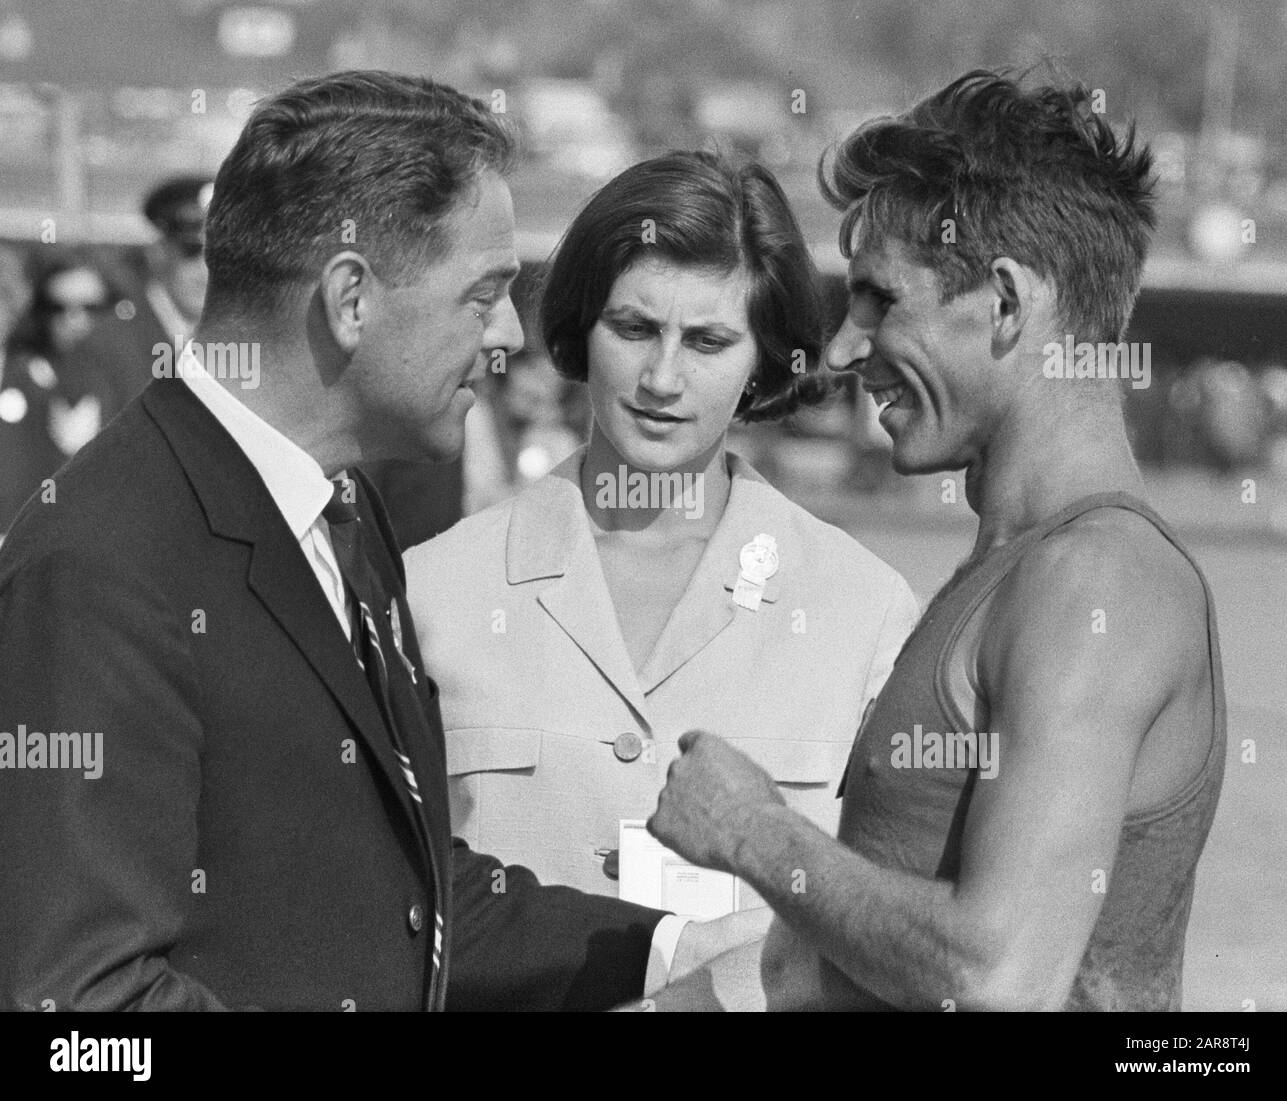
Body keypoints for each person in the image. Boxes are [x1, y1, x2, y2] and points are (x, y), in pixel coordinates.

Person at [0, 71, 750, 1013]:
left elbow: (399, 898)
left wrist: (682, 946)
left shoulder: (338, 513)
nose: (510, 333)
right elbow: (76, 1005)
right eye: (483, 294)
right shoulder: (106, 561)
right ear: (351, 298)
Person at [641, 68, 1227, 1011]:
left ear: (1002, 303)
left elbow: (997, 979)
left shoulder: (1092, 579)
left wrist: (757, 834)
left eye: (878, 300)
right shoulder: (1015, 570)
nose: (841, 347)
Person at [403, 151, 918, 909]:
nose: (662, 379)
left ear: (762, 363)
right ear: (584, 328)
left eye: (708, 342)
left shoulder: (864, 612)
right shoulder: (428, 592)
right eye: (635, 328)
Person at [74, 175, 211, 424]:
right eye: (191, 252)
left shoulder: (240, 339)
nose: (206, 270)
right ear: (158, 253)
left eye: (220, 255)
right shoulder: (105, 343)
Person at [1, 258, 116, 533]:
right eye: (56, 307)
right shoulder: (23, 374)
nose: (75, 320)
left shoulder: (133, 377)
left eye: (92, 308)